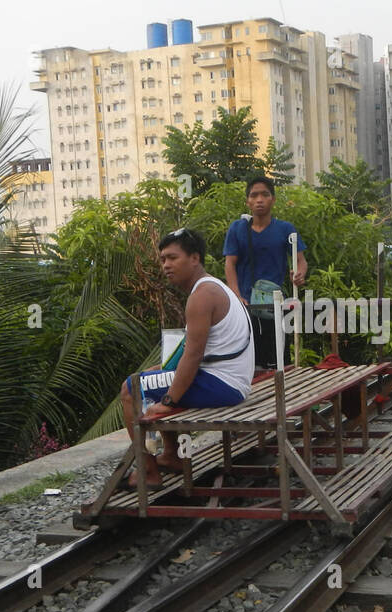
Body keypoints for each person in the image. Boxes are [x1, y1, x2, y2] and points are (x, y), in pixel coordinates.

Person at [118, 228, 254, 485]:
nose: (166, 265)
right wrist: (160, 375)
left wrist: (168, 401)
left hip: (223, 384)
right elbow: (188, 354)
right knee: (154, 377)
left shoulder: (202, 296)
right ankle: (171, 455)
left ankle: (148, 471)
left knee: (130, 389)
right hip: (231, 380)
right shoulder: (213, 287)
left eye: (173, 258)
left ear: (195, 258)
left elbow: (192, 357)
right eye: (163, 260)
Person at [223, 175, 307, 370]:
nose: (259, 199)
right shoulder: (237, 229)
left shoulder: (285, 229)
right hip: (246, 307)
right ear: (248, 201)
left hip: (276, 306)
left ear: (273, 199)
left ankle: (283, 399)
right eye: (254, 195)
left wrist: (299, 274)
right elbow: (229, 264)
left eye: (265, 194)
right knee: (250, 363)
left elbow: (300, 261)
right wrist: (236, 296)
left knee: (278, 362)